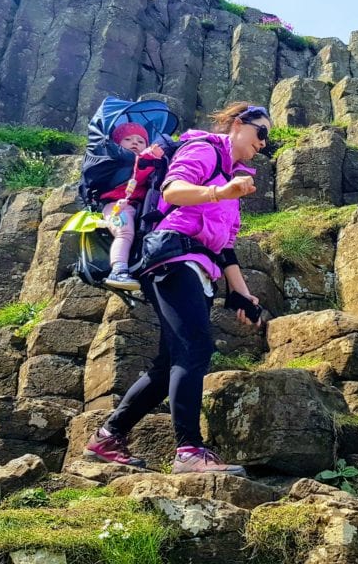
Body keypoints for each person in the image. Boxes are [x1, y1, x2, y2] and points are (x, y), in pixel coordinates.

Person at [84, 102, 270, 475]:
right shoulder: (203, 148)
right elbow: (173, 191)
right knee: (195, 349)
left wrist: (241, 292)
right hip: (171, 258)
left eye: (268, 138)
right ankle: (188, 451)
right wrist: (222, 192)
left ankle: (108, 437)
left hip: (199, 266)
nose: (263, 143)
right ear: (237, 124)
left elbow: (226, 244)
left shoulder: (234, 174)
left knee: (170, 362)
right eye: (260, 132)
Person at [98, 122, 164, 290]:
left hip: (139, 207)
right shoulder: (117, 161)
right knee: (124, 231)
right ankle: (118, 270)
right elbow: (136, 172)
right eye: (128, 139)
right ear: (117, 144)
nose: (135, 143)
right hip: (116, 205)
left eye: (141, 141)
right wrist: (149, 156)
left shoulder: (145, 162)